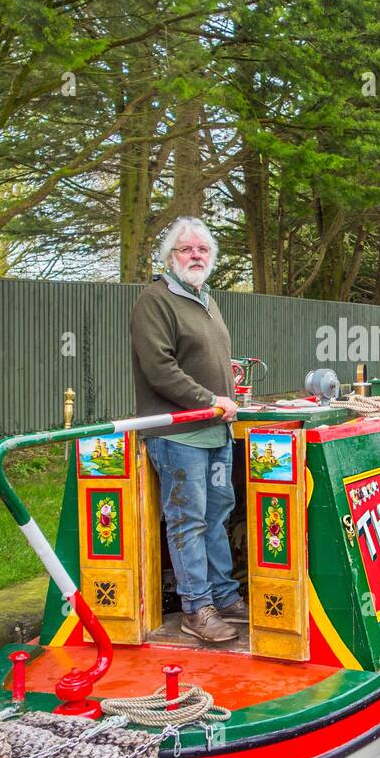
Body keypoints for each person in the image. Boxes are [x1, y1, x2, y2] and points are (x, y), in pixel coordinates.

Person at [131, 216, 246, 645]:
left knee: (217, 515)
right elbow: (160, 369)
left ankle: (223, 594)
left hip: (214, 432)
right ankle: (196, 608)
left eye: (202, 249)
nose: (195, 255)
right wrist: (211, 400)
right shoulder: (154, 301)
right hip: (178, 435)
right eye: (186, 249)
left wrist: (225, 396)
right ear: (170, 256)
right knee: (188, 521)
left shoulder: (205, 299)